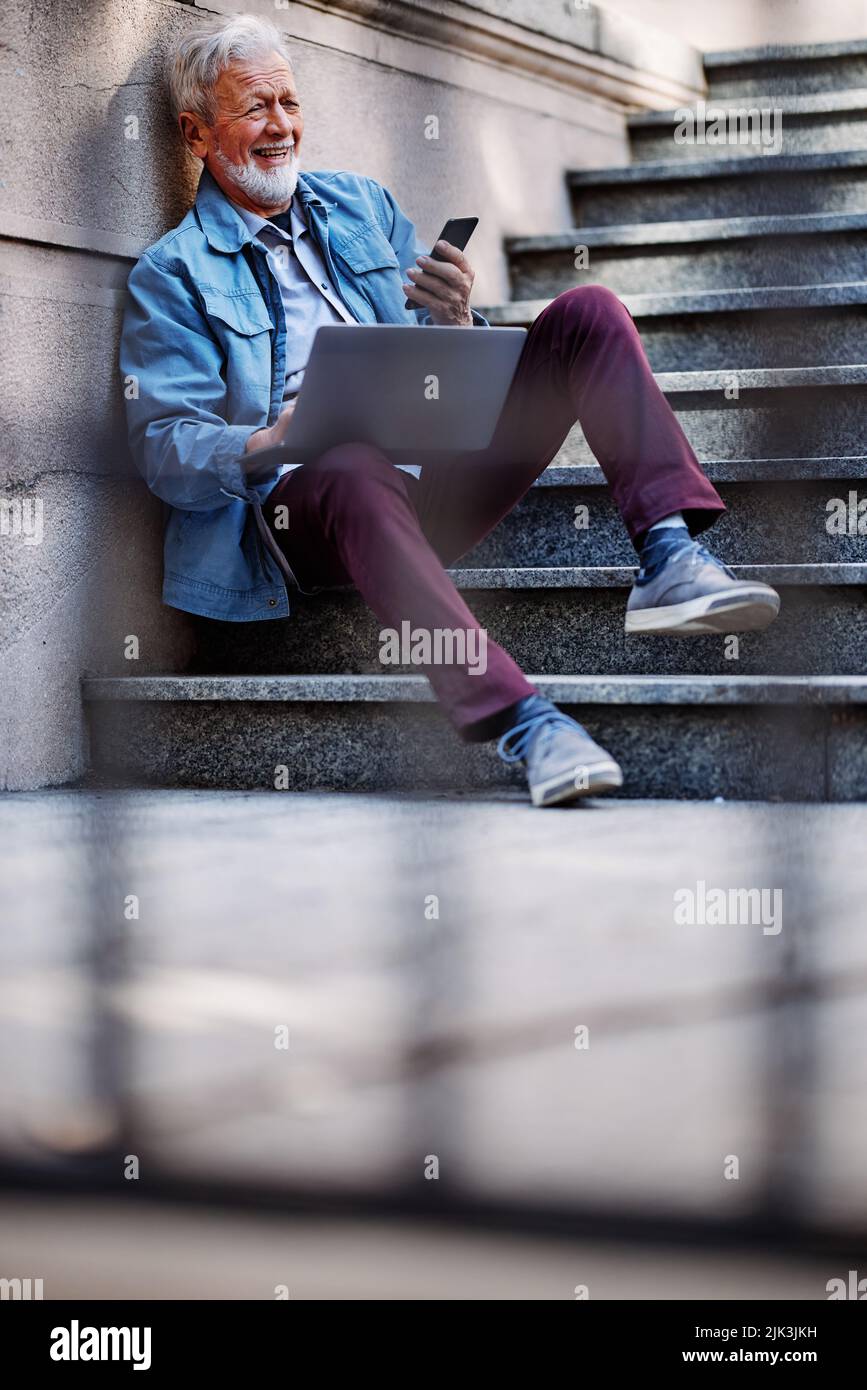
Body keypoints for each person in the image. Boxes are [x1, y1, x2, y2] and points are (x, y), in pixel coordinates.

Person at [120, 13, 780, 808]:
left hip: (432, 472)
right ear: (196, 134)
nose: (281, 126)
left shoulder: (359, 205)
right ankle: (525, 723)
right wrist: (274, 439)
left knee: (588, 311)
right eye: (255, 107)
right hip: (309, 512)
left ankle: (669, 559)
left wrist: (457, 319)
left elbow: (435, 361)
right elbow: (163, 447)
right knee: (348, 461)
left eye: (290, 103)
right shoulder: (172, 274)